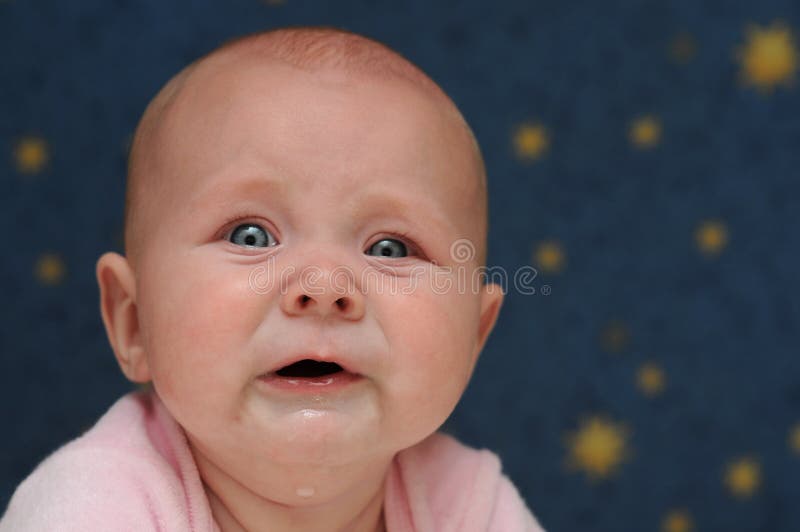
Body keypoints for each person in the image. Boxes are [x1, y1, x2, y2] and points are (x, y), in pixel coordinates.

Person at [1, 26, 545, 532]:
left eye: (390, 248)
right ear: (134, 322)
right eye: (250, 237)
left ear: (474, 337)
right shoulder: (92, 505)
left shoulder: (470, 505)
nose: (325, 287)